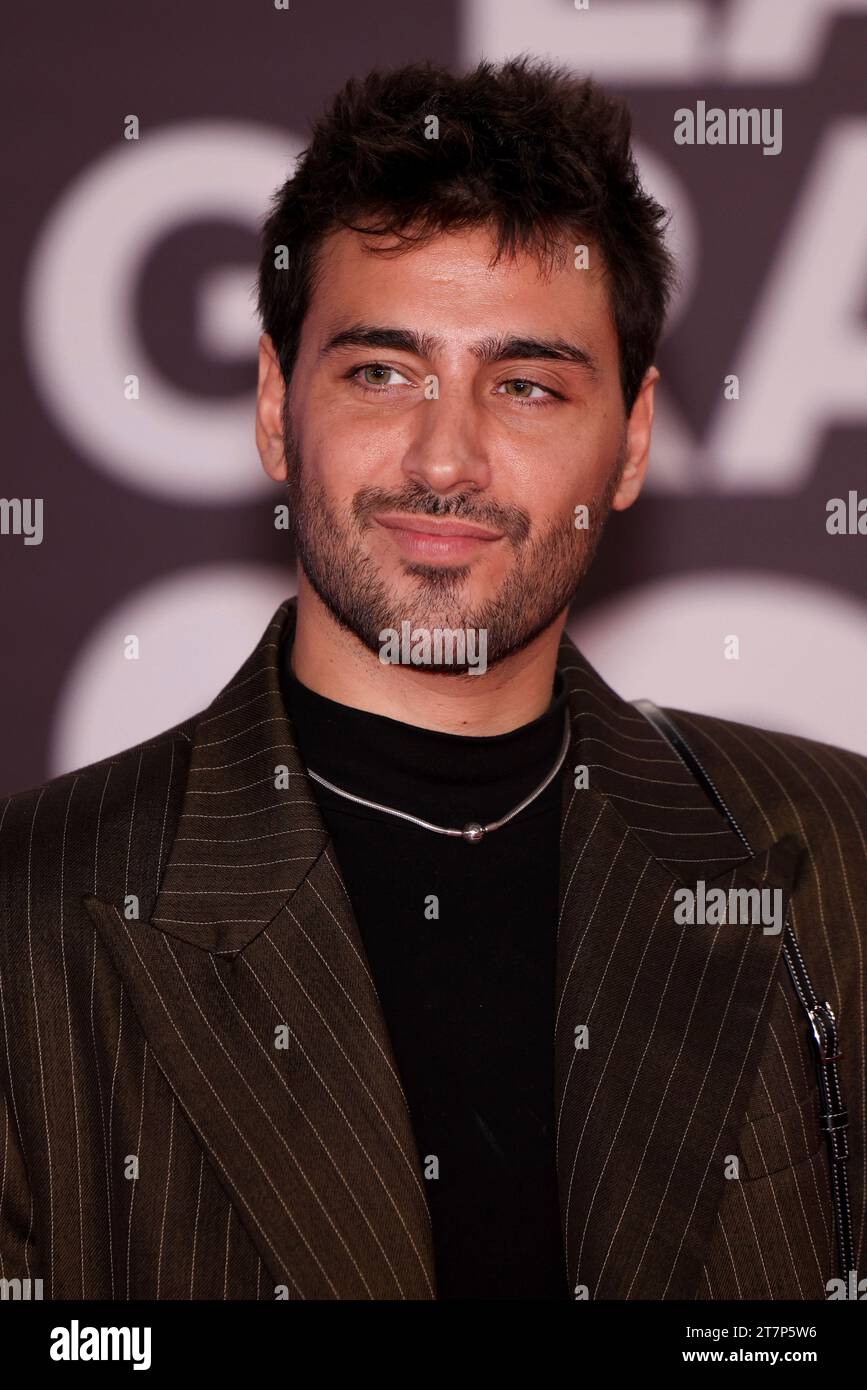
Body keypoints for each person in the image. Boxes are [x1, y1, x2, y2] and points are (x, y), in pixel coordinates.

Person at [1, 57, 863, 1302]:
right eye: (381, 371)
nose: (445, 460)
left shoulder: (837, 871)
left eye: (523, 385)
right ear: (270, 406)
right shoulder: (30, 923)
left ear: (630, 441)